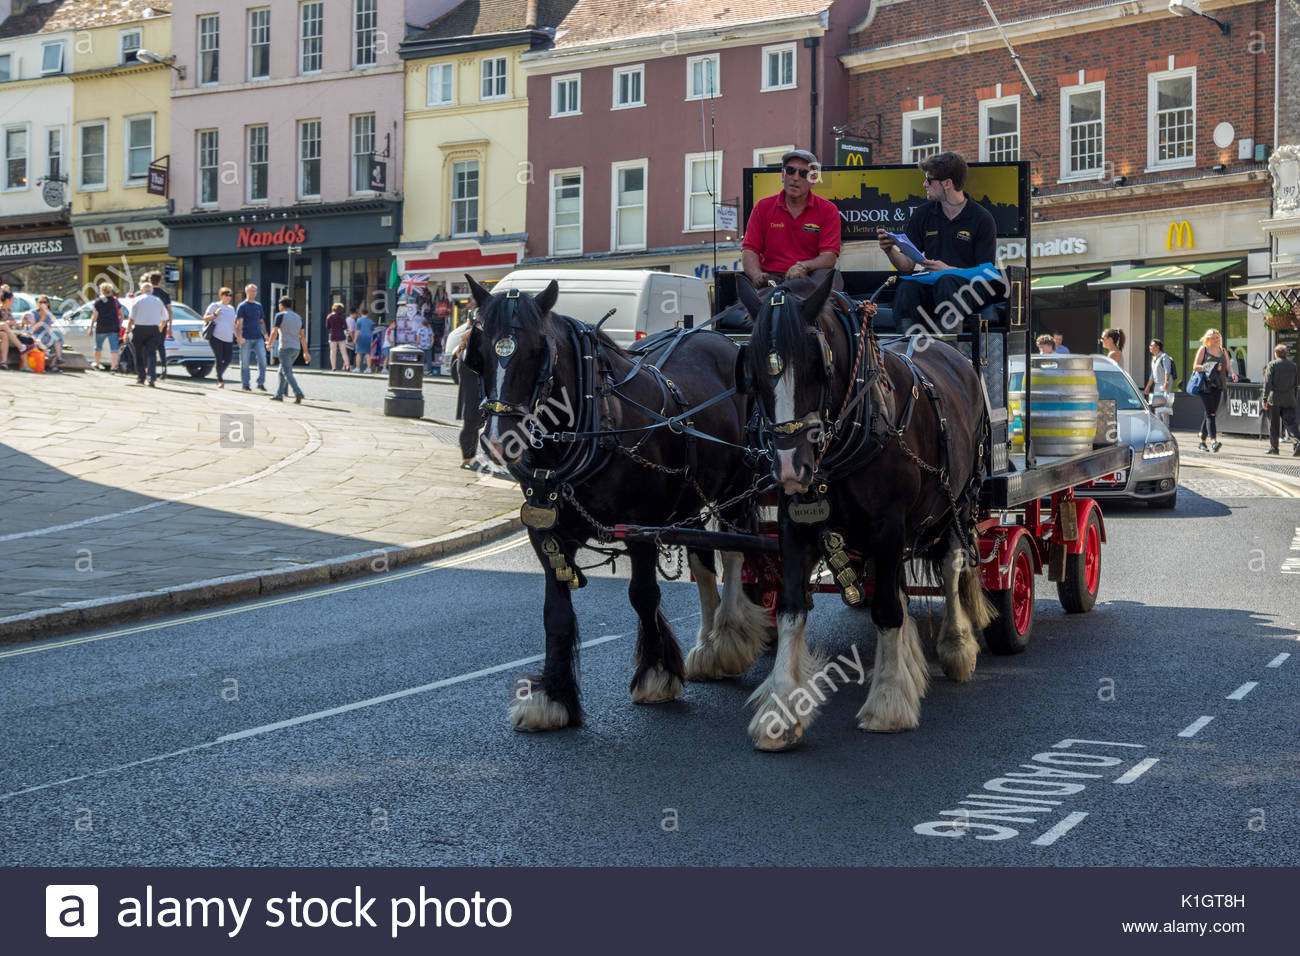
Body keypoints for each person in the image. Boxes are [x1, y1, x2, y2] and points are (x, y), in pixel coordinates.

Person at [742, 149, 842, 287]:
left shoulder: (828, 210)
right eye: (790, 171)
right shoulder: (762, 207)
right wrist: (756, 275)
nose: (795, 178)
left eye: (803, 173)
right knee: (746, 306)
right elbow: (749, 249)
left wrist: (803, 267)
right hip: (771, 279)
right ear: (783, 175)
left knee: (827, 291)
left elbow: (829, 257)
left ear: (813, 180)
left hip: (810, 279)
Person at [1192, 328, 1237, 452]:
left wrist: (1233, 374)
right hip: (1205, 386)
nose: (1216, 340)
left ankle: (1202, 442)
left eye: (1218, 338)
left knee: (1209, 413)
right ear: (1208, 339)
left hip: (1218, 385)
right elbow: (1195, 366)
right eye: (1213, 338)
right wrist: (1212, 366)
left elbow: (1228, 365)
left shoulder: (1223, 351)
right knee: (1211, 414)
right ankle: (1213, 441)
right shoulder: (1204, 350)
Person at [267, 295, 309, 403]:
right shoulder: (299, 318)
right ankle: (279, 395)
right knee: (281, 371)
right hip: (296, 349)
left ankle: (298, 392)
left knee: (286, 372)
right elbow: (302, 337)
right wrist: (306, 352)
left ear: (281, 305)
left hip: (285, 347)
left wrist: (269, 344)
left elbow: (274, 331)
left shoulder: (280, 315)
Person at [126, 280, 167, 386]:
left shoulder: (137, 300)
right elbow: (164, 318)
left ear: (141, 291)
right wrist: (160, 328)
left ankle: (141, 377)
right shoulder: (158, 301)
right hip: (153, 329)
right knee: (152, 354)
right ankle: (152, 377)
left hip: (139, 329)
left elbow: (131, 319)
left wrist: (127, 331)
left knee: (138, 353)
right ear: (152, 291)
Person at [1261, 344, 1300, 456]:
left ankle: (1274, 448)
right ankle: (1297, 443)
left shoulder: (1272, 365)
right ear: (1286, 354)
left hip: (1274, 399)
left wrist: (1264, 399)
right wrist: (1294, 397)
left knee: (1273, 424)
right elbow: (1296, 384)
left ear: (1276, 354)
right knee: (1291, 423)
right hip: (1289, 399)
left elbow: (1268, 383)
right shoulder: (1293, 365)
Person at [235, 284, 268, 391]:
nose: (253, 293)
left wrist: (266, 335)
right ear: (246, 292)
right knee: (245, 361)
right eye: (250, 291)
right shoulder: (242, 306)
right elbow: (239, 323)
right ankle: (245, 384)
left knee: (263, 359)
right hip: (246, 338)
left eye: (254, 291)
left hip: (258, 337)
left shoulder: (258, 306)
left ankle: (260, 383)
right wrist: (239, 337)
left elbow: (261, 322)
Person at [203, 287, 238, 388]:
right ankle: (220, 380)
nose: (228, 297)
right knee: (219, 358)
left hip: (228, 337)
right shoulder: (215, 305)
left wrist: (238, 336)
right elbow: (205, 318)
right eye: (226, 295)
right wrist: (215, 314)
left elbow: (233, 324)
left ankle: (219, 373)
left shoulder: (231, 308)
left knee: (228, 359)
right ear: (221, 296)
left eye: (230, 295)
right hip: (216, 336)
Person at [91, 282, 124, 372]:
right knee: (114, 349)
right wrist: (119, 324)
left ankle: (97, 364)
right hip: (113, 327)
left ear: (102, 290)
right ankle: (113, 368)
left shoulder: (98, 301)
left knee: (98, 347)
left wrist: (91, 327)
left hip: (101, 326)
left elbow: (95, 316)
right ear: (110, 291)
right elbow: (121, 314)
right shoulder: (115, 300)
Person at [25, 295, 64, 371]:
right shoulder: (33, 313)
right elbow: (32, 330)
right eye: (40, 302)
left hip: (45, 335)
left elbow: (48, 328)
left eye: (44, 302)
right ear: (37, 304)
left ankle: (55, 361)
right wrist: (42, 319)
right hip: (35, 336)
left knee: (57, 337)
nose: (42, 304)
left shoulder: (49, 314)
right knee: (55, 339)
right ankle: (55, 361)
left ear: (48, 304)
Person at [1143, 338, 1176, 426]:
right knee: (1157, 408)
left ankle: (1166, 430)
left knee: (1164, 410)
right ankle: (1159, 429)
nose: (1150, 347)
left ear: (1157, 347)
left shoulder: (1164, 357)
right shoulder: (1154, 359)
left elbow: (1167, 370)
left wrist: (1166, 382)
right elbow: (1152, 375)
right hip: (1157, 386)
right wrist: (1148, 387)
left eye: (1151, 345)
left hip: (1164, 384)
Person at [148, 271, 174, 379]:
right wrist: (170, 327)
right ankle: (164, 368)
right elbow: (169, 311)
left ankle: (150, 370)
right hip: (162, 323)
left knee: (150, 347)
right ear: (160, 281)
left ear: (149, 280)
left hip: (149, 323)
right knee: (161, 346)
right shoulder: (164, 293)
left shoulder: (148, 293)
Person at [325, 303, 350, 371]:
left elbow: (327, 326)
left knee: (333, 352)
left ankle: (333, 367)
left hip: (333, 335)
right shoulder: (342, 317)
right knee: (344, 352)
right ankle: (347, 366)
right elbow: (345, 327)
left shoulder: (329, 316)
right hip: (341, 335)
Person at [354, 308, 375, 373]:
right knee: (367, 353)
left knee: (359, 353)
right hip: (368, 337)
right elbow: (372, 331)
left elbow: (357, 331)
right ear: (367, 314)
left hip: (360, 337)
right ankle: (368, 368)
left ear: (361, 313)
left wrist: (355, 339)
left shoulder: (359, 320)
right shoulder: (371, 321)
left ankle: (357, 368)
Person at [345, 306, 358, 371]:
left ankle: (344, 366)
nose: (356, 315)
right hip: (350, 339)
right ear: (353, 314)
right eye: (356, 314)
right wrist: (354, 339)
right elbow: (351, 331)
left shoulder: (347, 319)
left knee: (346, 353)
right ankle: (351, 367)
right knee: (351, 353)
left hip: (346, 338)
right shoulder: (352, 320)